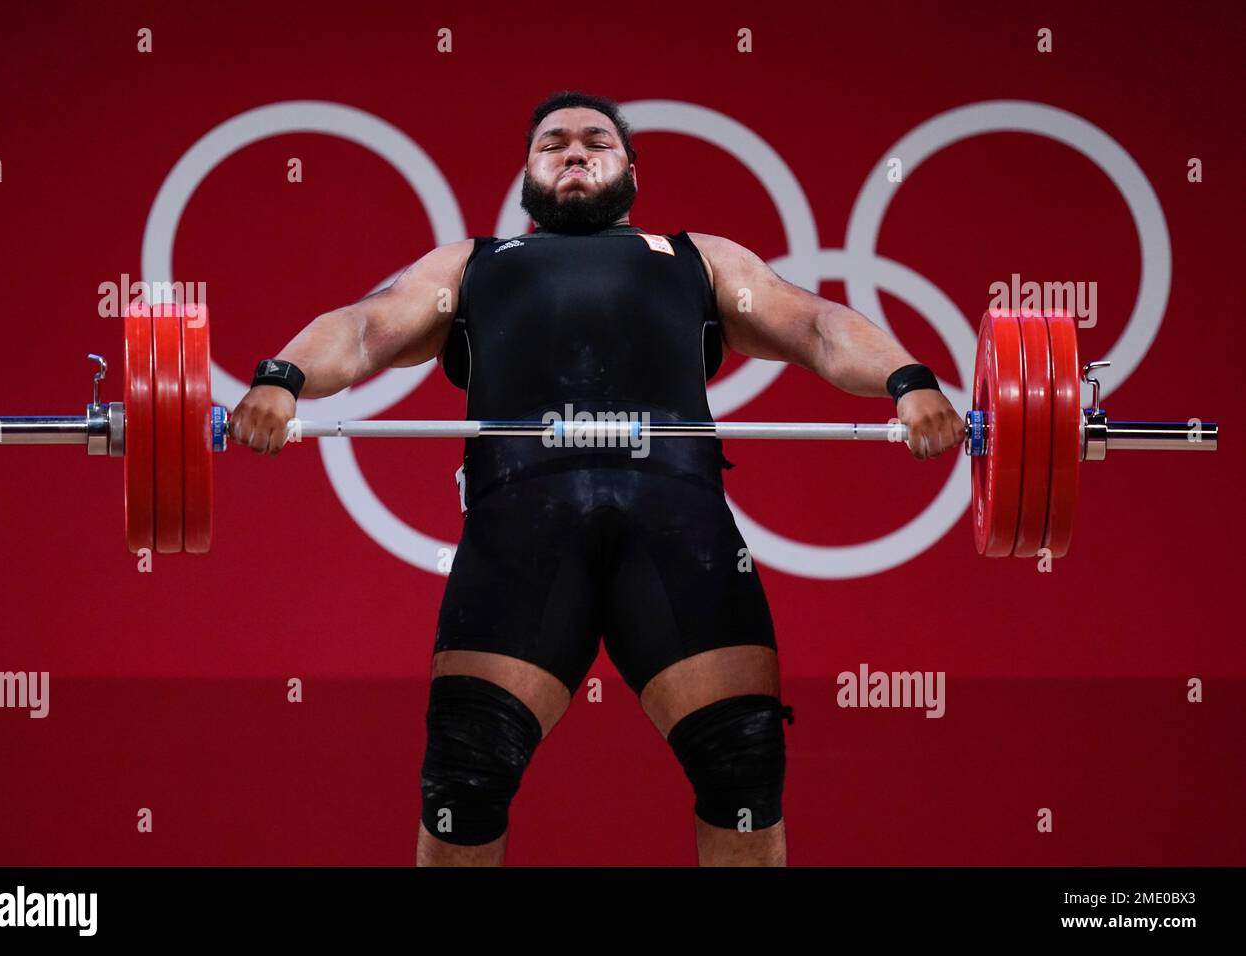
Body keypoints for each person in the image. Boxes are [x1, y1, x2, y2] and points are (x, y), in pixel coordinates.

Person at [228, 90, 966, 866]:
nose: (574, 151)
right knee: (465, 778)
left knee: (741, 768)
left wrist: (908, 381)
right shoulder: (472, 264)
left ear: (631, 172)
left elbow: (815, 324)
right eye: (553, 143)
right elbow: (364, 326)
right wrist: (283, 378)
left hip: (680, 535)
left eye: (595, 141)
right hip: (520, 536)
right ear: (526, 172)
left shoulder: (699, 258)